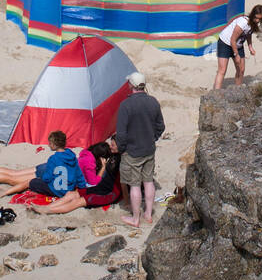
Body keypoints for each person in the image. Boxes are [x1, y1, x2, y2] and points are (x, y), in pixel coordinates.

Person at [0, 130, 87, 199]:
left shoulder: (53, 159)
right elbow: (79, 175)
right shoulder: (71, 156)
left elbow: (48, 176)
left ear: (54, 145)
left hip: (46, 168)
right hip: (51, 171)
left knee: (13, 174)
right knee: (13, 178)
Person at [115, 72, 164, 227]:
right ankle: (148, 214)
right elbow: (160, 126)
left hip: (132, 151)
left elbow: (121, 134)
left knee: (135, 185)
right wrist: (153, 138)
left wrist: (122, 149)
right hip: (149, 148)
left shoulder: (126, 105)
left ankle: (135, 219)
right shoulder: (153, 102)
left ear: (131, 85)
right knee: (148, 181)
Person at [27, 141, 122, 214]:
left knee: (78, 201)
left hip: (108, 191)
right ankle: (47, 207)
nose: (110, 146)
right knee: (71, 194)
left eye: (112, 145)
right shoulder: (111, 157)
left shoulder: (121, 161)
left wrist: (126, 200)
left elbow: (123, 183)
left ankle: (48, 210)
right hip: (98, 186)